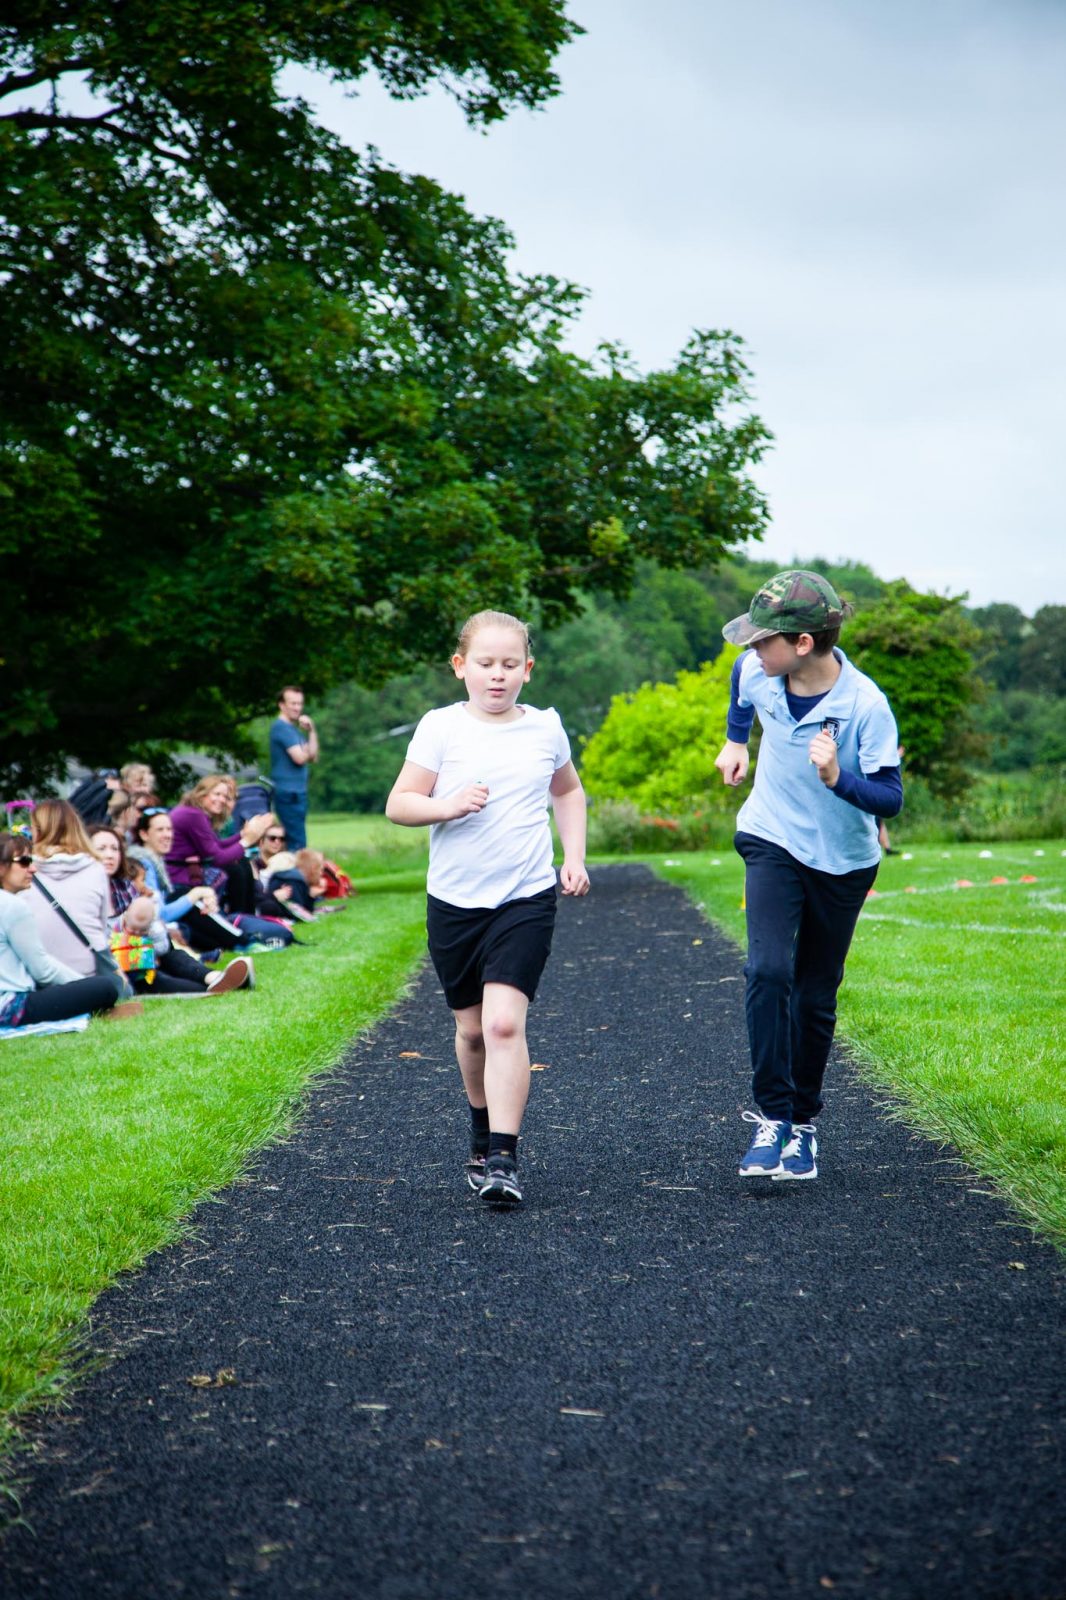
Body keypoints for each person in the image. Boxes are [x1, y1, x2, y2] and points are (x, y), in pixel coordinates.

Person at [386, 609, 590, 1208]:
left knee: (503, 1024)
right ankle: (480, 1126)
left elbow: (568, 791)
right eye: (485, 663)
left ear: (528, 669)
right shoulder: (440, 728)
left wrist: (573, 857)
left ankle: (503, 1158)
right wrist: (446, 805)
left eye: (509, 664)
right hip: (454, 902)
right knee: (472, 1030)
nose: (497, 675)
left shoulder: (545, 728)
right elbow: (400, 804)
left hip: (525, 896)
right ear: (460, 667)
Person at [714, 570, 903, 1182]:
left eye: (762, 639)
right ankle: (772, 1117)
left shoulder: (865, 705)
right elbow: (739, 687)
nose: (750, 650)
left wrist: (836, 779)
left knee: (814, 996)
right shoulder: (756, 671)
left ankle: (803, 1126)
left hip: (843, 861)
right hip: (771, 835)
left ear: (801, 643)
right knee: (768, 970)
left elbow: (890, 797)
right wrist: (736, 741)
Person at [92, 826, 253, 995]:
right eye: (101, 849)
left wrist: (147, 939)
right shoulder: (85, 893)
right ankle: (221, 981)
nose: (110, 855)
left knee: (172, 953)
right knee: (184, 983)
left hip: (148, 954)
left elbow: (159, 936)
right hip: (121, 969)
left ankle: (215, 977)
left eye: (114, 849)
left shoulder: (125, 886)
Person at [0, 833, 118, 1027]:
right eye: (24, 862)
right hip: (10, 1007)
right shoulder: (12, 906)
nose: (33, 868)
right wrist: (82, 985)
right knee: (105, 987)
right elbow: (43, 971)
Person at [27, 799, 115, 978]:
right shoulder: (95, 868)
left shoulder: (25, 870)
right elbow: (103, 923)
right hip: (89, 971)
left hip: (40, 972)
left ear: (38, 831)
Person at [269, 686, 318, 850]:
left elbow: (313, 756)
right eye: (293, 703)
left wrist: (311, 731)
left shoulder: (293, 730)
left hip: (298, 792)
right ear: (281, 705)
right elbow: (300, 758)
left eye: (300, 703)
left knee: (297, 840)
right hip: (288, 793)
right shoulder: (281, 728)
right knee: (296, 842)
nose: (297, 708)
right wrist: (305, 752)